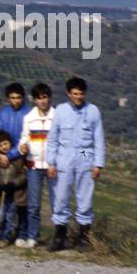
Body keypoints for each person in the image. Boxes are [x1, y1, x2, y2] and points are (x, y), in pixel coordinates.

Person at [47, 77, 105, 252]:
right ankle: (60, 236)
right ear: (68, 93)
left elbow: (99, 139)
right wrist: (51, 162)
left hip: (84, 154)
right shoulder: (60, 111)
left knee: (85, 197)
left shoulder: (93, 111)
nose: (78, 97)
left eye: (81, 94)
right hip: (64, 156)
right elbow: (53, 138)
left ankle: (84, 237)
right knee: (60, 197)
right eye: (75, 94)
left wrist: (98, 164)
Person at [17, 82, 55, 248]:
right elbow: (23, 139)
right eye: (39, 98)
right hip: (33, 165)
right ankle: (32, 237)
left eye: (45, 97)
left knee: (57, 203)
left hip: (52, 166)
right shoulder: (29, 118)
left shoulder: (56, 117)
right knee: (33, 204)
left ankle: (58, 237)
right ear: (34, 100)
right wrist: (22, 147)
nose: (42, 101)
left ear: (49, 98)